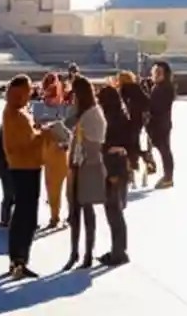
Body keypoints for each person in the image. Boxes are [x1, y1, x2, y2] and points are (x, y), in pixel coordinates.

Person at [2, 74, 54, 279]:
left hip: (26, 165)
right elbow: (25, 143)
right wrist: (45, 135)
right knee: (26, 215)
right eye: (29, 89)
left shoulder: (16, 111)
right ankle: (19, 260)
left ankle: (19, 259)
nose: (31, 92)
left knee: (24, 213)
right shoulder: (15, 114)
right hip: (25, 167)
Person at [64, 76, 107, 270]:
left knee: (84, 210)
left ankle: (85, 253)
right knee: (77, 211)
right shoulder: (89, 113)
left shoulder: (91, 116)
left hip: (86, 166)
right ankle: (77, 252)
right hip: (80, 165)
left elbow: (92, 142)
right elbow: (68, 124)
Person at [97, 84, 132, 265]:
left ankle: (118, 252)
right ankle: (119, 249)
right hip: (121, 167)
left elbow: (107, 144)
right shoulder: (123, 115)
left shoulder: (110, 119)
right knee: (117, 211)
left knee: (114, 212)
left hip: (112, 168)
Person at [148, 61, 176, 189]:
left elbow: (157, 106)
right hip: (159, 123)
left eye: (159, 72)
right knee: (163, 149)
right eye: (154, 72)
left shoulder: (164, 88)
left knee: (164, 150)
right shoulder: (157, 87)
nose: (155, 75)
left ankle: (168, 177)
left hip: (161, 124)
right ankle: (167, 176)